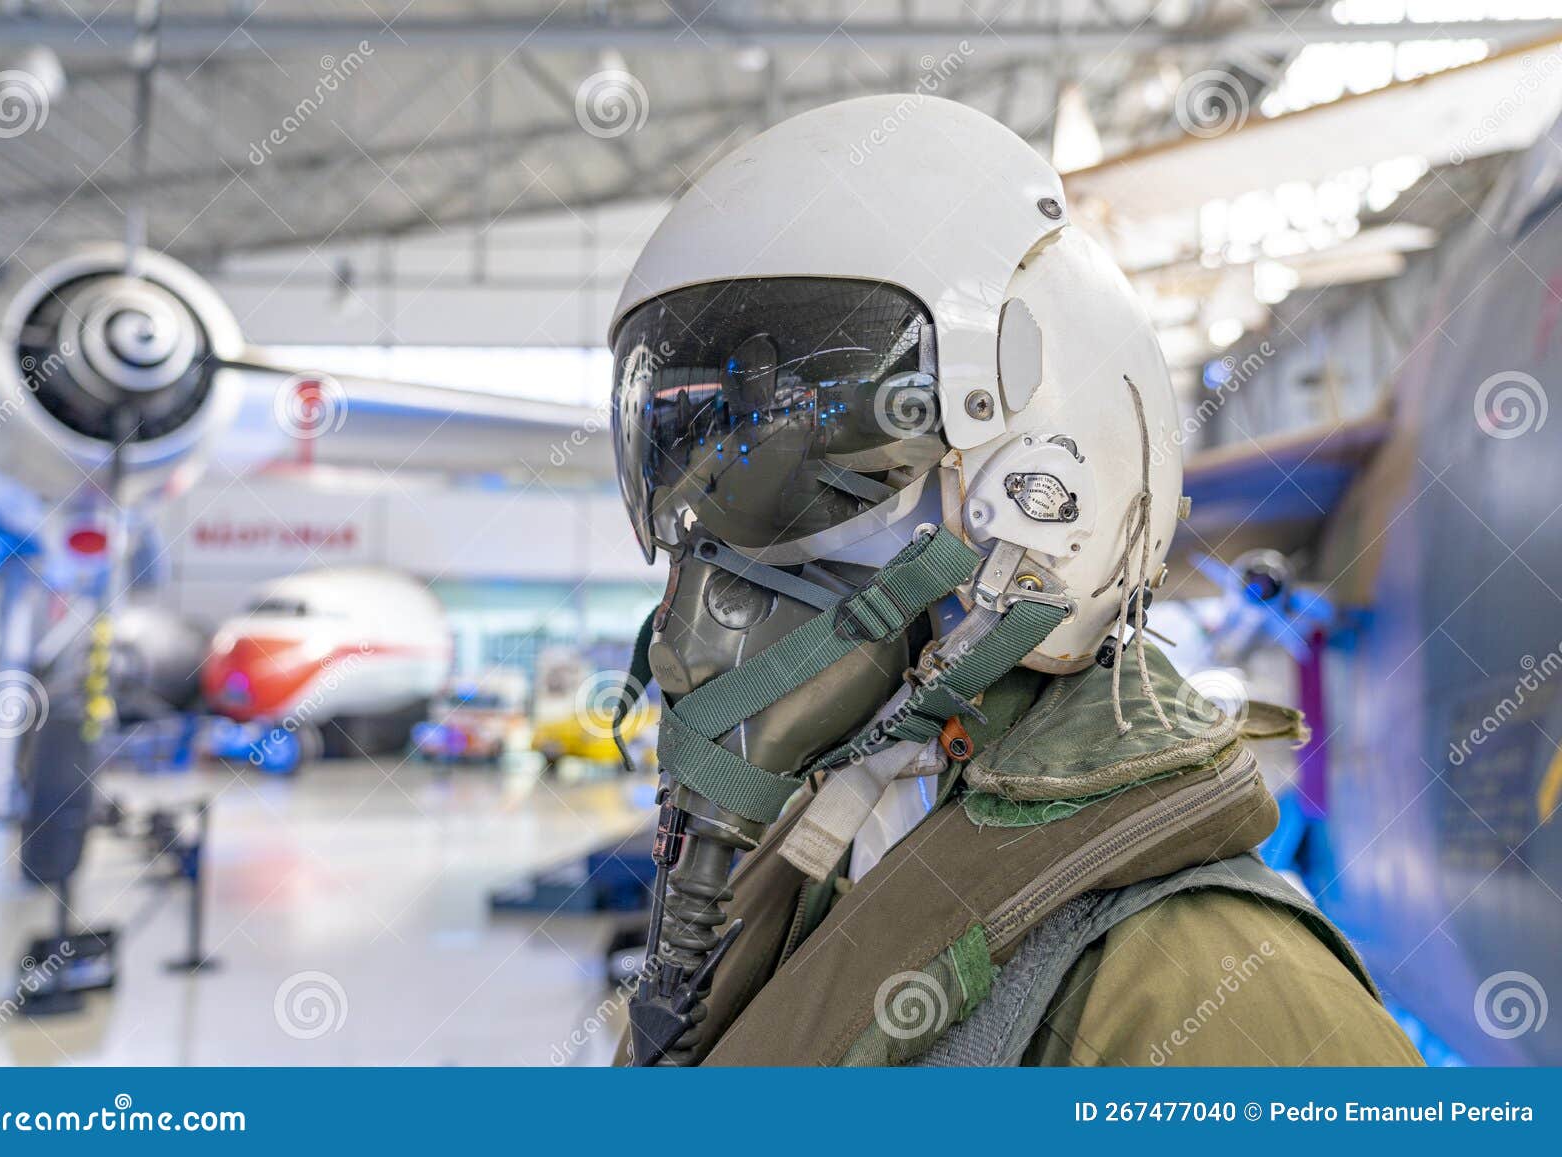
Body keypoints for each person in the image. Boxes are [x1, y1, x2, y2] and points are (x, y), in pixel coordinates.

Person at [606, 95, 1421, 1067]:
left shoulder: (1226, 1001)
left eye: (815, 494)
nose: (702, 607)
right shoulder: (839, 844)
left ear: (1039, 505)